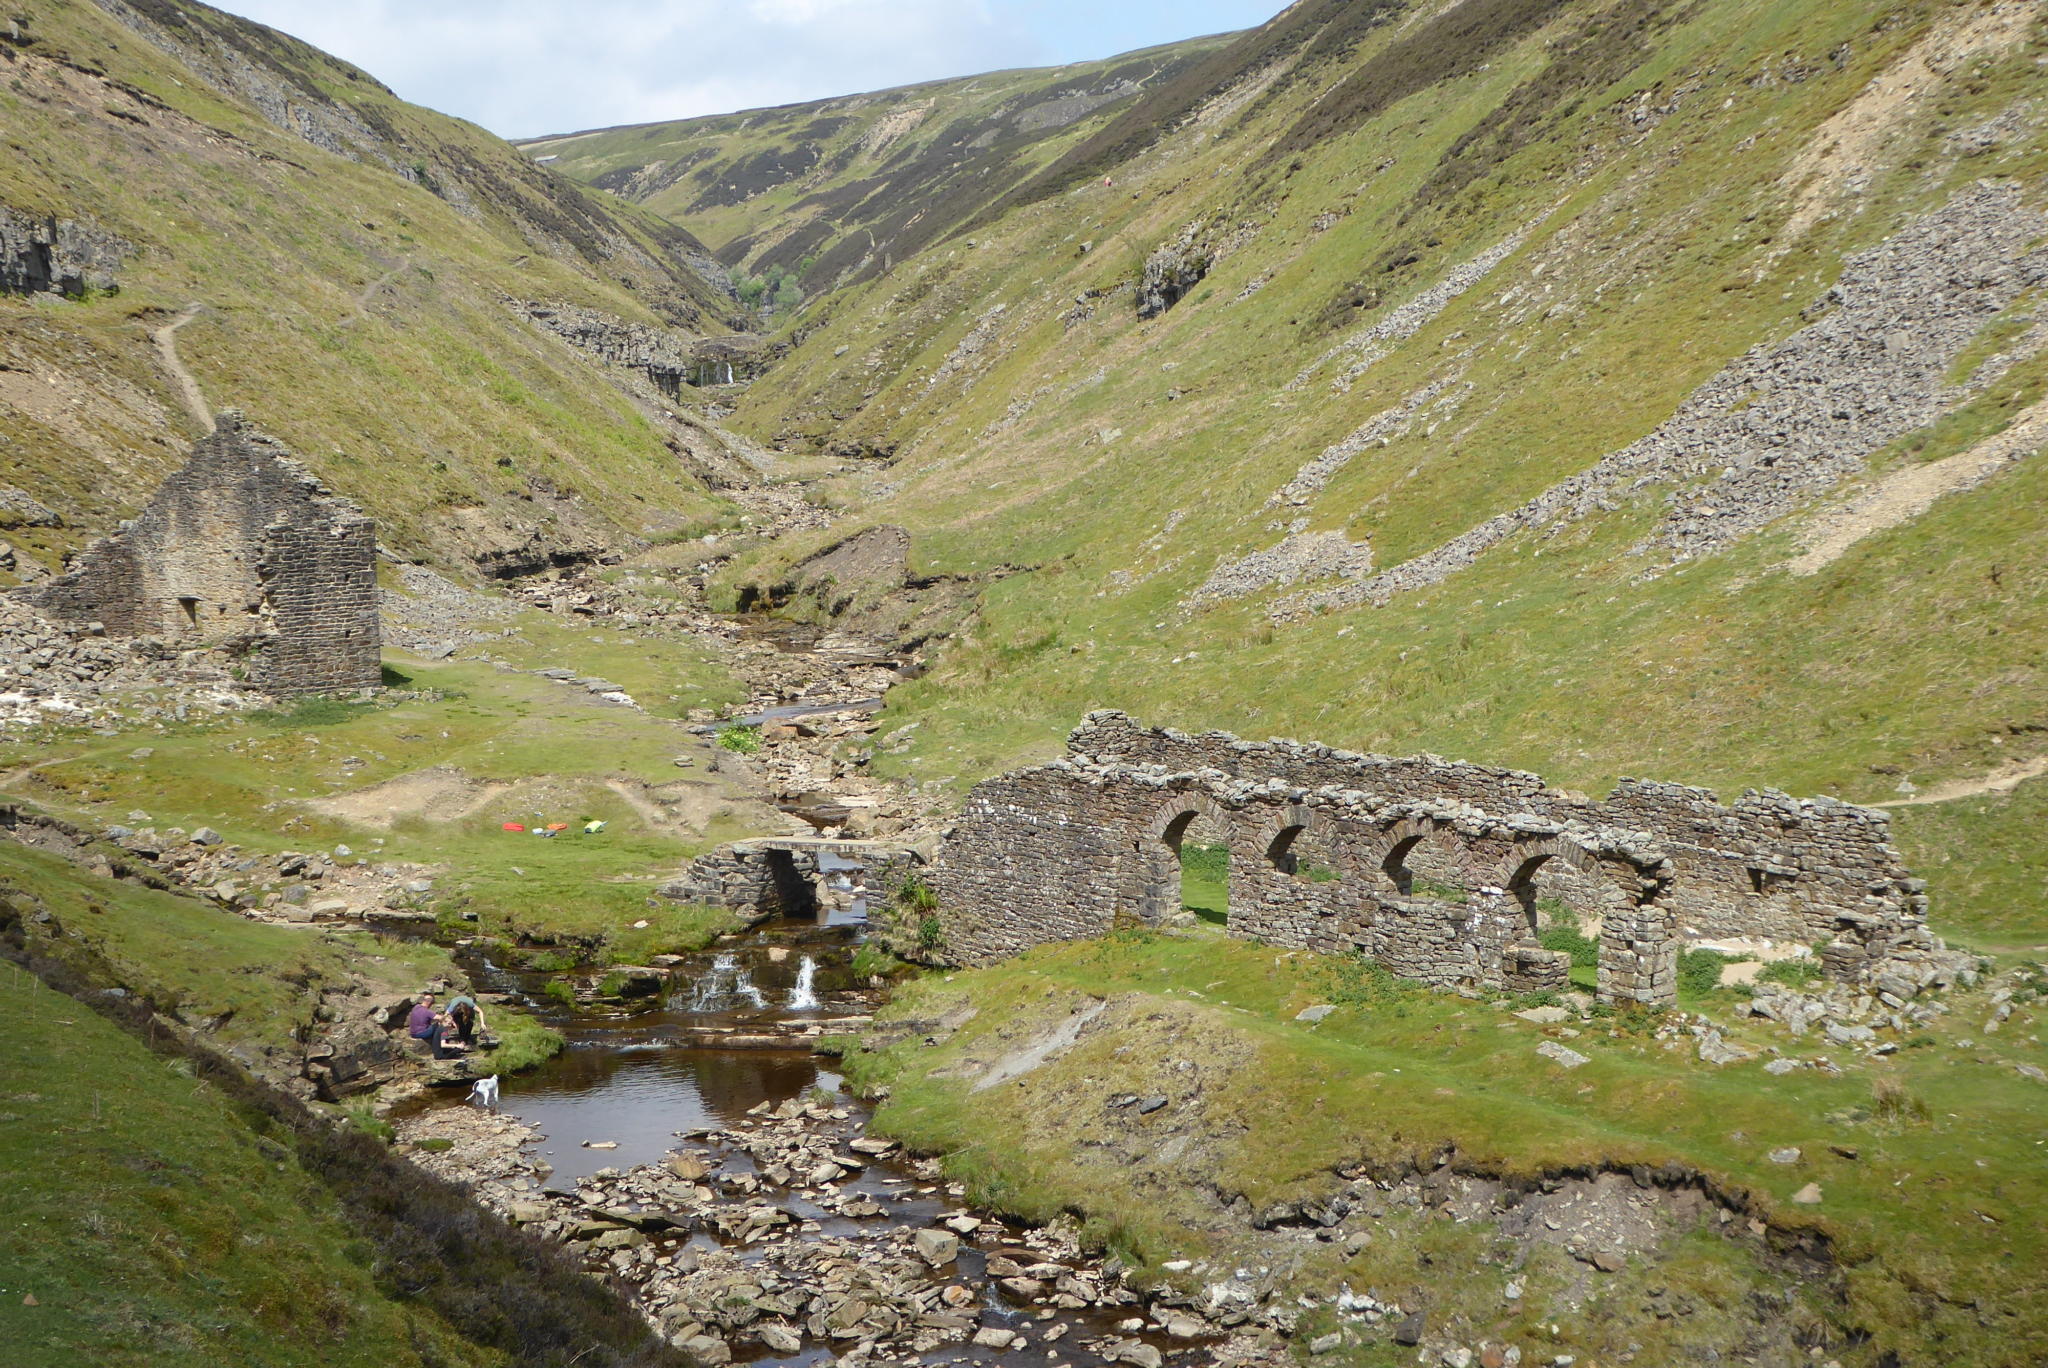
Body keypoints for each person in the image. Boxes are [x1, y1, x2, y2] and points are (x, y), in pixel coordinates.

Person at [406, 991, 445, 1056]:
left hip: (413, 1033)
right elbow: (440, 1018)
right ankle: (439, 1046)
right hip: (421, 1033)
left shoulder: (416, 1007)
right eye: (432, 1003)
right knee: (438, 1025)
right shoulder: (427, 1011)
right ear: (429, 1003)